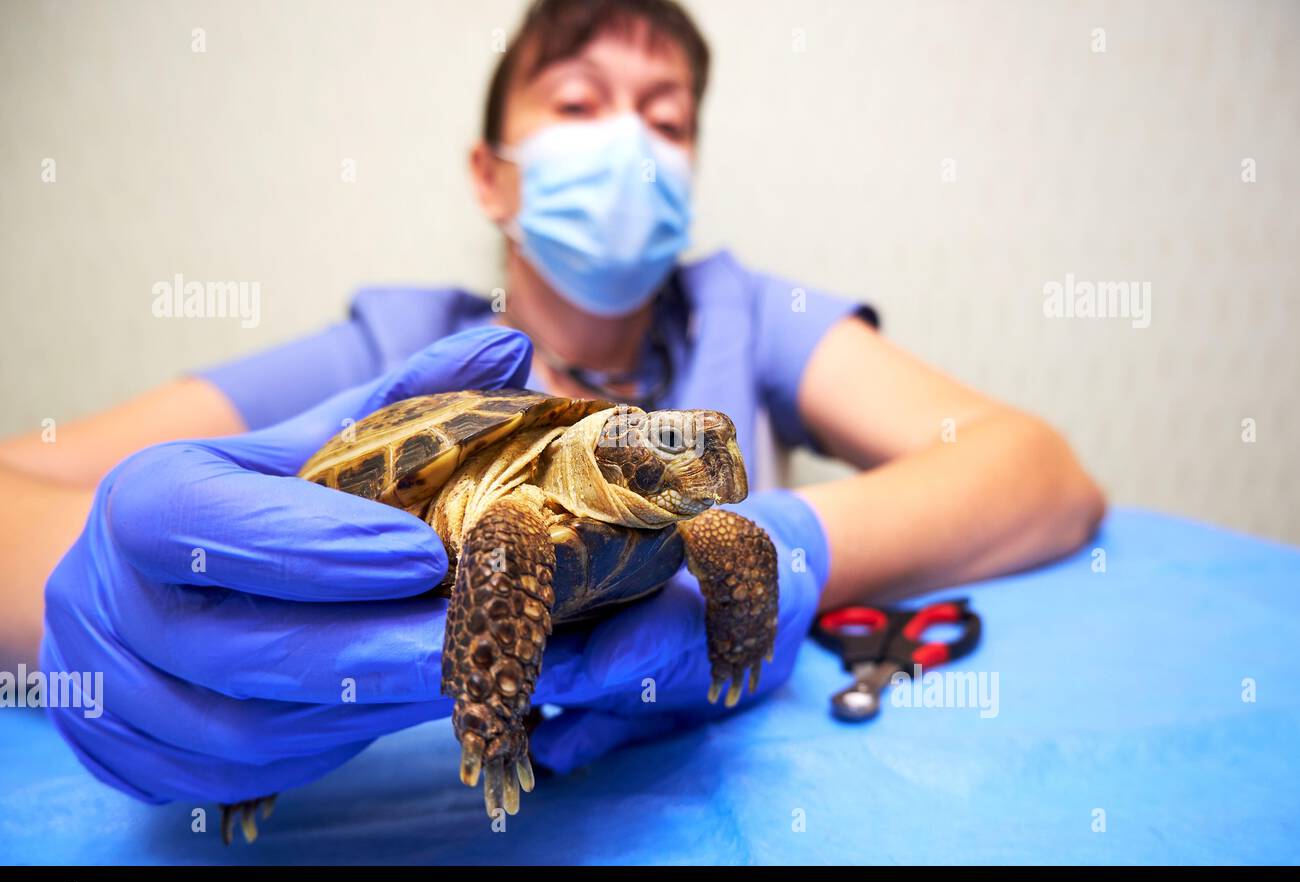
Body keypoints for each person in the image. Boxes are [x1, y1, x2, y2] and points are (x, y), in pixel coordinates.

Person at [0, 0, 1104, 810]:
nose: (627, 145)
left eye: (666, 120)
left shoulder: (745, 317)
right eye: (578, 105)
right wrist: (127, 595)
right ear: (491, 175)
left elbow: (1044, 472)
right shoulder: (401, 349)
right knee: (511, 535)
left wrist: (793, 540)